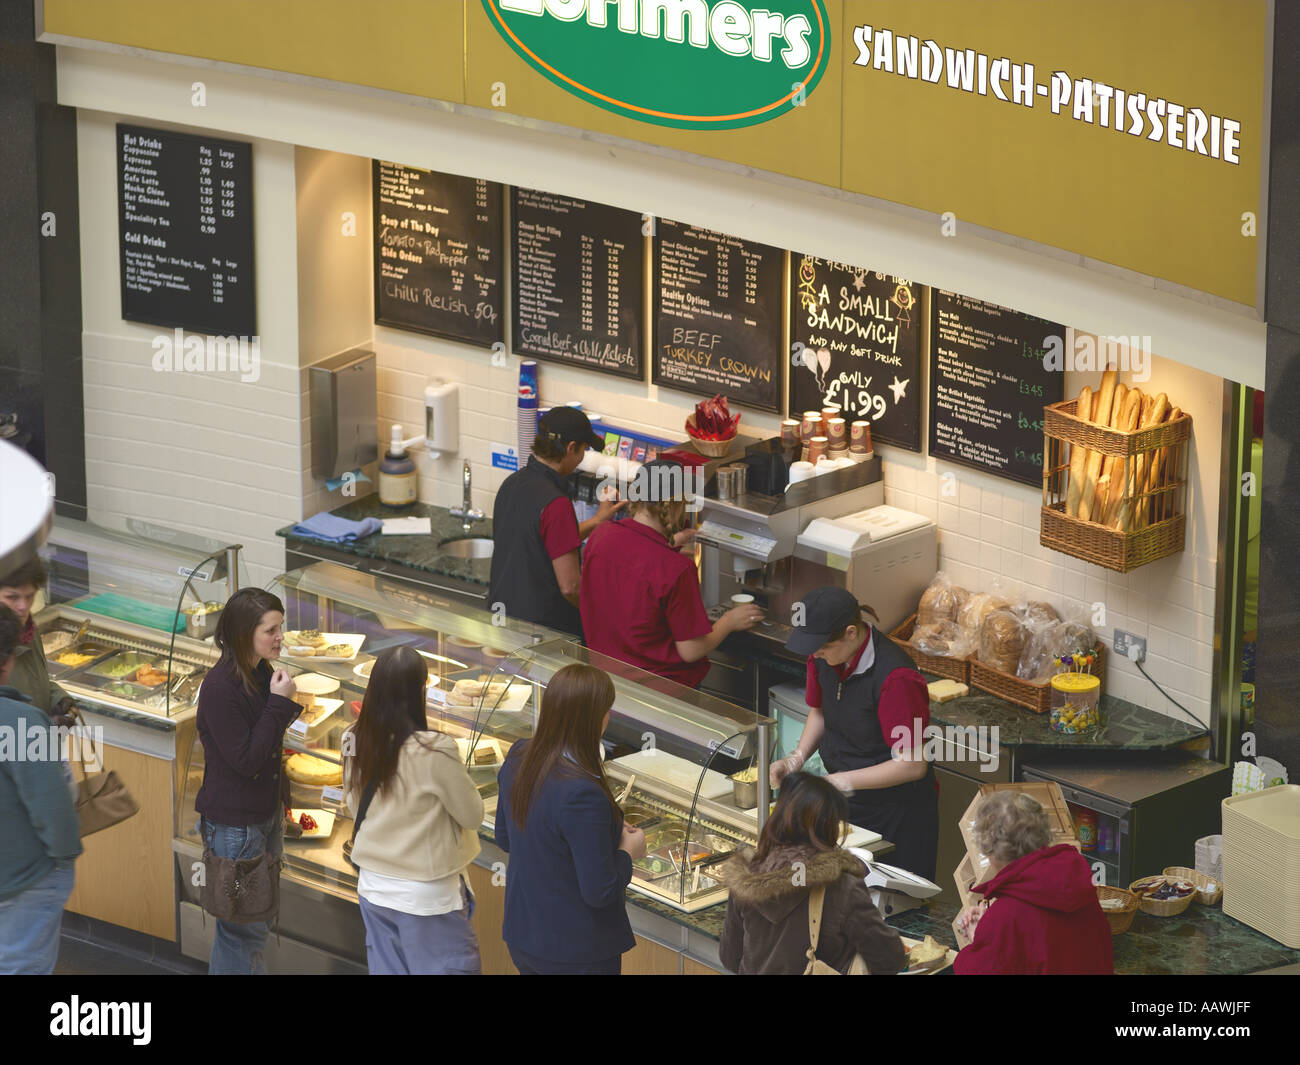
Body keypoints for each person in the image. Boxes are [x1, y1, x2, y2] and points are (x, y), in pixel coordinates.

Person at [772, 587, 938, 881]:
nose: (817, 654)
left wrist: (837, 781)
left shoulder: (896, 678)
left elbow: (912, 764)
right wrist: (795, 759)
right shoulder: (822, 656)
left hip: (896, 814)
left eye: (823, 647)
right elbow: (820, 711)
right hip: (847, 803)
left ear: (851, 633)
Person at [344, 646, 485, 975]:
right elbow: (472, 815)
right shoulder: (435, 749)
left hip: (374, 888)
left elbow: (354, 806)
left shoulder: (354, 738)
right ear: (420, 690)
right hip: (427, 896)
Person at [494, 663, 643, 974]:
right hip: (574, 951)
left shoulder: (520, 755)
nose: (609, 717)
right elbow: (599, 890)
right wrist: (629, 851)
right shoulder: (582, 792)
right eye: (607, 710)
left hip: (525, 935)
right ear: (594, 718)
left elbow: (506, 837)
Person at [581, 459, 762, 688]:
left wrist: (669, 544)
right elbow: (691, 650)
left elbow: (635, 564)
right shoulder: (677, 569)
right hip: (660, 692)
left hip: (605, 681)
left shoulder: (601, 537)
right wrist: (729, 621)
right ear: (677, 505)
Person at [194, 587, 301, 975]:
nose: (280, 637)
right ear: (244, 634)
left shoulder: (259, 671)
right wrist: (280, 703)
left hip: (261, 816)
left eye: (281, 627)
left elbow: (267, 745)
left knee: (251, 928)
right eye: (270, 630)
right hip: (236, 829)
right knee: (241, 933)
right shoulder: (220, 688)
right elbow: (247, 761)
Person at [719, 772, 906, 975]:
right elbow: (889, 958)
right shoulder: (841, 886)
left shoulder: (746, 876)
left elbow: (730, 958)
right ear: (829, 826)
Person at [489, 407, 623, 638]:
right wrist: (603, 615)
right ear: (571, 448)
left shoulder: (512, 483)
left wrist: (597, 521)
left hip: (501, 615)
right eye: (583, 450)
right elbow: (570, 586)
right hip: (540, 630)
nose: (582, 457)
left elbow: (547, 539)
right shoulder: (556, 503)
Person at [0, 604, 82, 974]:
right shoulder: (19, 721)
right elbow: (53, 810)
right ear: (8, 662)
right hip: (24, 877)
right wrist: (63, 862)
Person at [953, 791, 1113, 975]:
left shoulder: (1005, 916)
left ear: (990, 848)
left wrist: (979, 939)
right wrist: (990, 931)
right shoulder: (1077, 884)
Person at [0, 557, 77, 721]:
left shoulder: (28, 631)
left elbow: (31, 682)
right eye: (12, 597)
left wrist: (56, 698)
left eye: (29, 596)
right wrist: (45, 727)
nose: (23, 606)